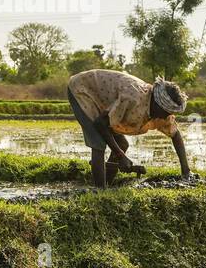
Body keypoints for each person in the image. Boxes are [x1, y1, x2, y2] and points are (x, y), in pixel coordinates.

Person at [66, 68, 194, 188]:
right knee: (98, 143)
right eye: (166, 112)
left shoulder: (161, 111)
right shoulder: (133, 98)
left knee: (122, 144)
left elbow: (175, 135)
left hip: (104, 100)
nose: (167, 117)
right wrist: (120, 156)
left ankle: (107, 184)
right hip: (83, 89)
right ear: (157, 104)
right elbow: (100, 124)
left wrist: (186, 171)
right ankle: (100, 191)